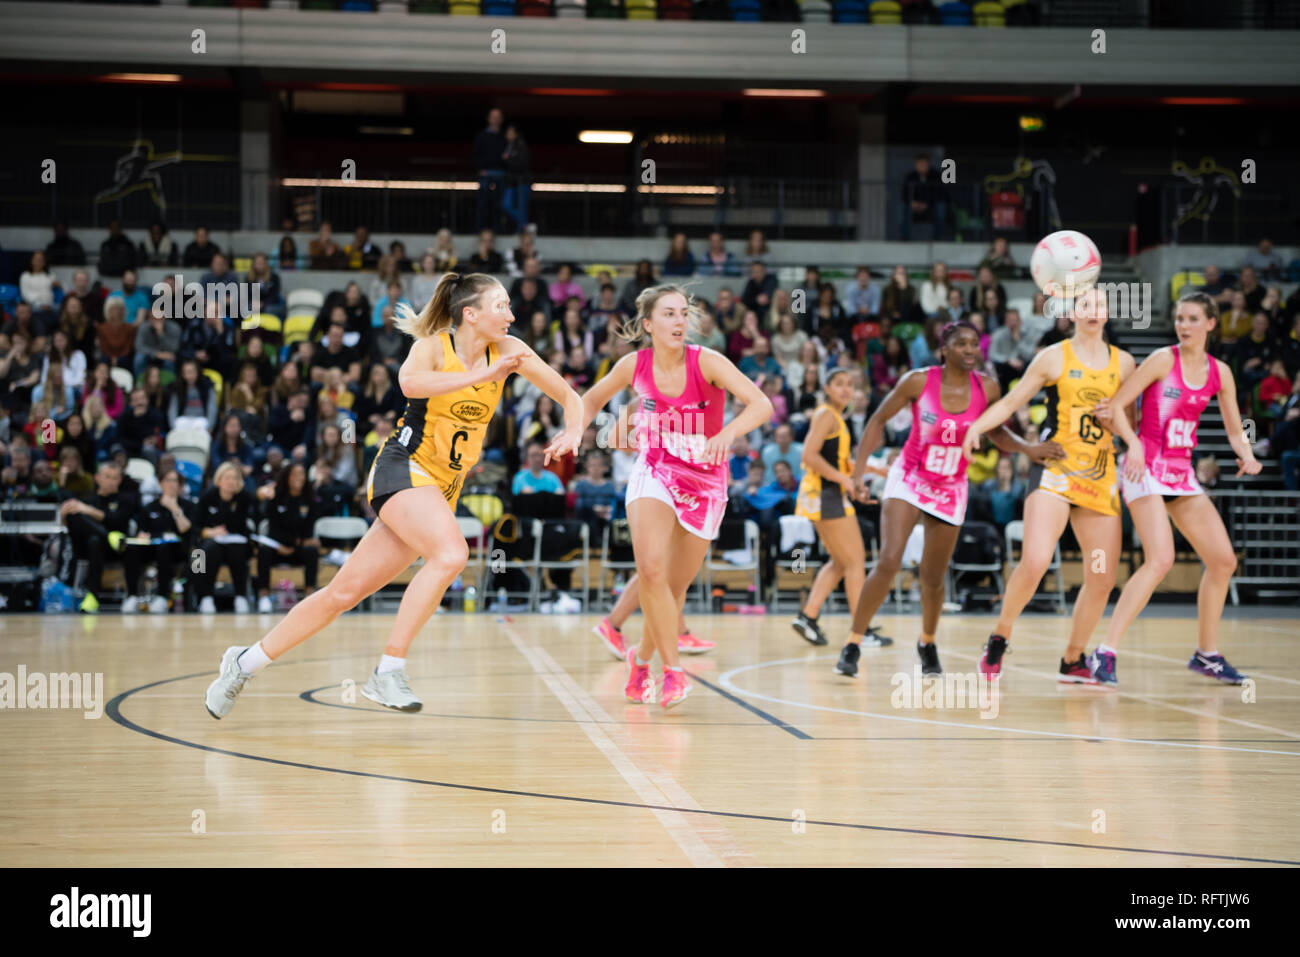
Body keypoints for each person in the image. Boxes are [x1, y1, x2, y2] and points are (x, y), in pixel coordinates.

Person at [205, 272, 584, 718]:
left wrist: (574, 429)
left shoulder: (510, 351)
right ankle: (389, 668)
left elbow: (567, 394)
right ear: (470, 314)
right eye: (501, 306)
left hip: (440, 488)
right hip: (401, 467)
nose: (512, 314)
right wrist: (482, 375)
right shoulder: (433, 348)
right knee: (451, 554)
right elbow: (409, 385)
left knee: (342, 594)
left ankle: (242, 663)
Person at [578, 285, 773, 708]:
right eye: (668, 314)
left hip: (705, 481)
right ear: (648, 324)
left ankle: (641, 658)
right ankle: (673, 670)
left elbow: (761, 405)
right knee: (650, 569)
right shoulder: (635, 364)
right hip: (655, 471)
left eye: (683, 313)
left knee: (674, 585)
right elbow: (591, 399)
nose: (679, 321)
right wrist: (574, 431)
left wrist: (727, 433)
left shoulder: (709, 362)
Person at [835, 321, 1063, 677]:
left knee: (934, 576)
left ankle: (927, 642)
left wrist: (1026, 449)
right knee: (890, 559)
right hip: (910, 478)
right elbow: (878, 420)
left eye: (974, 343)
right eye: (961, 344)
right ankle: (853, 641)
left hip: (951, 485)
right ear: (944, 350)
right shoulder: (917, 381)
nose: (971, 350)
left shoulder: (987, 386)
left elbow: (996, 430)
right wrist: (857, 472)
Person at [961, 286, 1136, 683]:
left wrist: (1121, 423)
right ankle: (999, 637)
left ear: (1108, 313)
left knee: (1101, 576)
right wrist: (976, 426)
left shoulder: (1125, 364)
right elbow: (1009, 403)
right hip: (1056, 469)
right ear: (1072, 313)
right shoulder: (1052, 356)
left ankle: (1073, 659)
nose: (1093, 311)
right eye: (1085, 305)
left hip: (1100, 475)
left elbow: (1132, 422)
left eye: (1100, 306)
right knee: (1037, 559)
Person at [1090, 292, 1260, 686]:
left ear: (1211, 324)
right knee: (1160, 559)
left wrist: (1246, 454)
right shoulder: (1163, 359)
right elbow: (1115, 407)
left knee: (1223, 561)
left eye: (1193, 318)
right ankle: (1105, 652)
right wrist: (1131, 444)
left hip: (1180, 474)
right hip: (1143, 467)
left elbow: (1237, 429)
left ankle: (1207, 654)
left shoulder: (1221, 372)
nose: (1183, 325)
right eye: (1179, 318)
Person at [789, 369, 888, 647]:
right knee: (855, 561)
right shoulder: (826, 415)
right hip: (823, 494)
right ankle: (861, 630)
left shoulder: (838, 419)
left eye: (851, 384)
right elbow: (808, 456)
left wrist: (876, 470)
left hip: (827, 493)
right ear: (827, 388)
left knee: (842, 561)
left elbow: (841, 463)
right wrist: (846, 480)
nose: (846, 389)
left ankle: (808, 617)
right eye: (840, 384)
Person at [58, 460, 137, 614]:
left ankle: (94, 596)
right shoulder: (88, 499)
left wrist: (88, 510)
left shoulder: (126, 499)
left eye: (115, 478)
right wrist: (64, 517)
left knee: (97, 540)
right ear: (98, 478)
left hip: (118, 551)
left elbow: (117, 520)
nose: (111, 481)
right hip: (89, 549)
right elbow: (75, 529)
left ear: (120, 480)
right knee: (78, 521)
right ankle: (108, 536)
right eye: (107, 477)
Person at [121, 467, 193, 614]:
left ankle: (162, 597)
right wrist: (142, 536)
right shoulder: (149, 508)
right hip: (152, 548)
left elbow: (186, 529)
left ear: (180, 486)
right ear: (160, 484)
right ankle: (132, 596)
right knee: (131, 549)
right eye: (168, 480)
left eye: (176, 481)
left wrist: (174, 508)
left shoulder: (188, 506)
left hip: (179, 550)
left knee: (165, 549)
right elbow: (141, 532)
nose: (172, 484)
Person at [253, 461, 321, 613]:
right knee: (264, 552)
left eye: (302, 474)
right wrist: (282, 545)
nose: (299, 478)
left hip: (298, 548)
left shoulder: (310, 499)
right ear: (287, 477)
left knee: (312, 551)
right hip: (277, 547)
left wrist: (298, 543)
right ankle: (264, 597)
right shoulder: (276, 497)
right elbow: (273, 528)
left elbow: (308, 531)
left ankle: (310, 597)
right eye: (295, 474)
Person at [192, 460, 257, 614]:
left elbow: (246, 525)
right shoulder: (207, 497)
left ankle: (241, 596)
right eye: (227, 478)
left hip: (236, 542)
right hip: (211, 543)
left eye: (235, 478)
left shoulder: (244, 498)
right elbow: (195, 527)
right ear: (219, 480)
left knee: (237, 550)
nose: (231, 482)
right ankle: (205, 597)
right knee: (201, 554)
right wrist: (209, 532)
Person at [474, 108, 508, 231]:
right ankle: (480, 229)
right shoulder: (482, 136)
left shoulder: (505, 137)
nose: (495, 119)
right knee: (483, 203)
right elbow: (476, 155)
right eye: (493, 117)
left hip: (500, 174)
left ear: (501, 119)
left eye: (498, 117)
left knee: (500, 204)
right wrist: (480, 169)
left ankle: (498, 229)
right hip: (486, 173)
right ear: (488, 119)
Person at [501, 124, 532, 234]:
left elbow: (522, 164)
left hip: (522, 182)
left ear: (516, 134)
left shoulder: (520, 145)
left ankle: (522, 229)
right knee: (506, 205)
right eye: (507, 133)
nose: (508, 135)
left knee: (522, 207)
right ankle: (525, 225)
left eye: (511, 133)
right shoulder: (507, 146)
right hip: (511, 182)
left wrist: (508, 159)